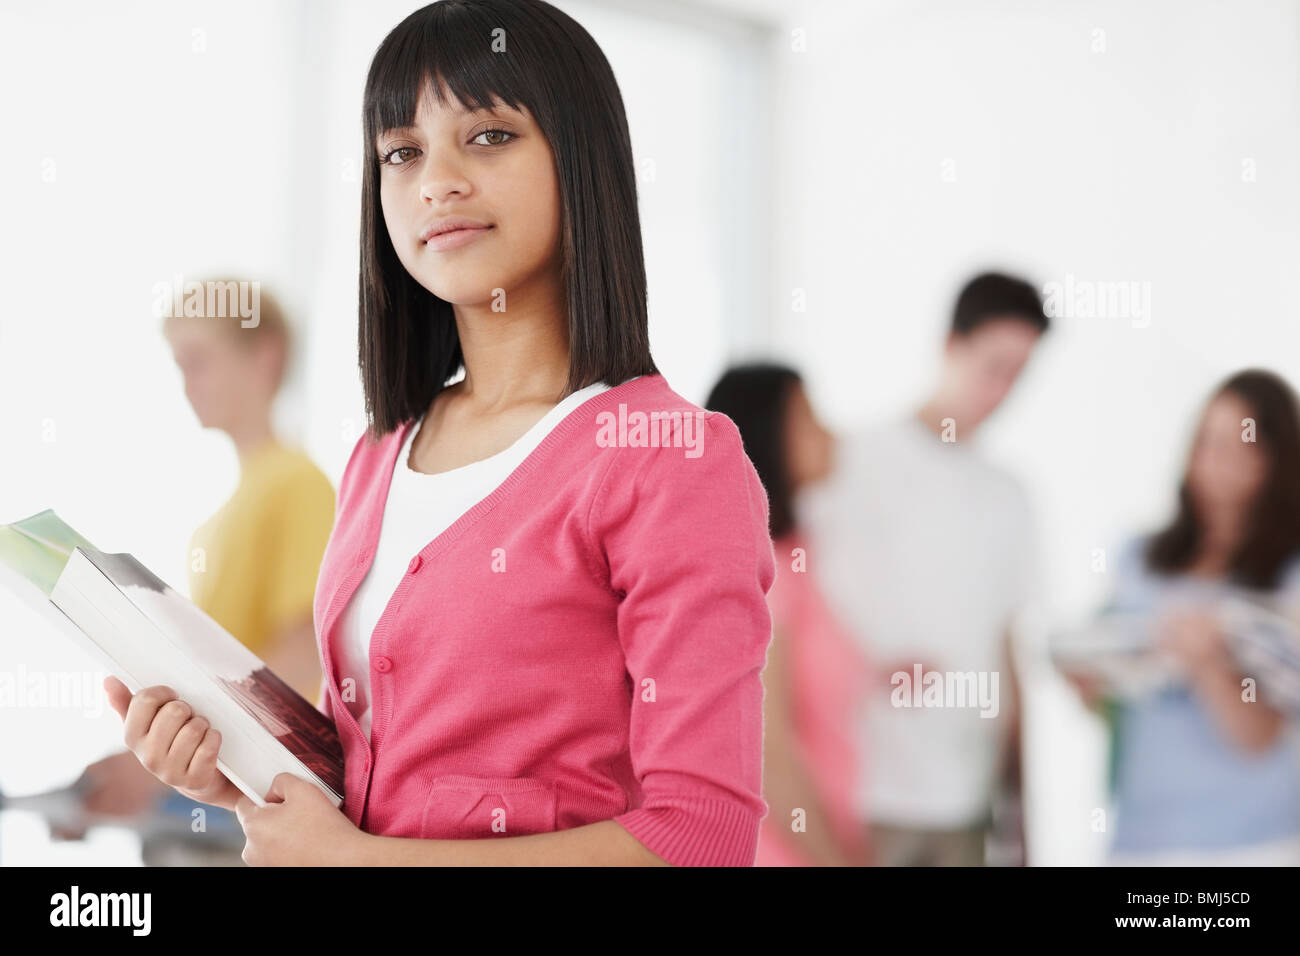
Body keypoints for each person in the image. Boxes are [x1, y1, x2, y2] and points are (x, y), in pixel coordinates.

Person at [103, 0, 776, 866]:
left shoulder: (671, 459)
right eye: (402, 152)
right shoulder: (381, 453)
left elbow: (700, 837)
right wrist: (238, 770)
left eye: (489, 135)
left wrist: (358, 863)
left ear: (583, 157)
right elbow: (386, 774)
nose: (436, 181)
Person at [67, 280, 335, 865]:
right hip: (208, 803)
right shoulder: (215, 522)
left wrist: (158, 775)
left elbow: (302, 653)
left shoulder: (298, 486)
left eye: (199, 362)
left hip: (250, 818)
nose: (188, 386)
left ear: (266, 357)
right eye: (179, 366)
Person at [799, 271, 1049, 866]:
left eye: (1019, 372)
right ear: (950, 347)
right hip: (865, 793)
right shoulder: (849, 461)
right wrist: (863, 671)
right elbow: (787, 602)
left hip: (966, 800)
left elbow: (1008, 647)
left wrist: (1022, 807)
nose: (1002, 389)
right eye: (994, 365)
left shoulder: (1009, 495)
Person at [1064, 369, 1300, 865]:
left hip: (1250, 844)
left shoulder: (1287, 578)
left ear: (1277, 462)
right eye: (1207, 444)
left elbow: (1261, 736)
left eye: (1241, 448)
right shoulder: (1139, 556)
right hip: (1140, 840)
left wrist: (1212, 665)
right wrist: (1090, 684)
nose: (1217, 466)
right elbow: (1110, 704)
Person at [707, 364, 872, 867]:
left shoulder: (801, 556)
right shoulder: (765, 575)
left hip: (827, 835)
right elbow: (767, 755)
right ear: (767, 435)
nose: (829, 432)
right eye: (808, 417)